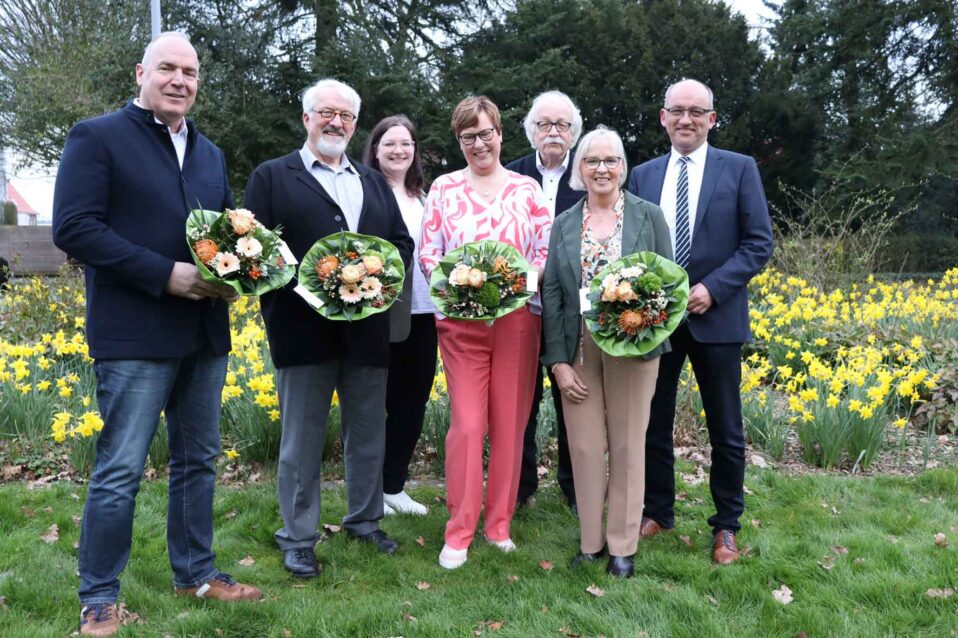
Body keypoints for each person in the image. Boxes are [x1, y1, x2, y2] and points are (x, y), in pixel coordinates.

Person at [52, 31, 262, 637]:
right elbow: (74, 228)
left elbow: (223, 233)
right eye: (167, 68)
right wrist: (163, 274)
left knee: (198, 461)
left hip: (203, 333)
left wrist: (241, 271)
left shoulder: (208, 152)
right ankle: (99, 597)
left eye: (190, 72)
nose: (179, 80)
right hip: (136, 332)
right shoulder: (98, 137)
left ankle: (196, 572)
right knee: (120, 469)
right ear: (141, 72)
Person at [244, 79, 413, 579]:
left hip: (367, 332)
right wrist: (313, 287)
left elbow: (399, 245)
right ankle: (297, 535)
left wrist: (379, 278)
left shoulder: (374, 180)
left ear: (355, 125)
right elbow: (258, 252)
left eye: (345, 116)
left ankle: (364, 520)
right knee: (302, 440)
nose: (335, 122)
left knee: (367, 434)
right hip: (302, 331)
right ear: (306, 118)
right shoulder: (273, 176)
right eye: (326, 113)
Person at [627, 79, 774, 564]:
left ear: (712, 119)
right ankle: (658, 511)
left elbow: (758, 243)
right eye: (677, 111)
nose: (686, 119)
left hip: (718, 317)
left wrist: (713, 288)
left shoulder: (740, 169)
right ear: (663, 117)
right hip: (657, 321)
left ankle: (726, 525)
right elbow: (631, 247)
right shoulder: (644, 175)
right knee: (652, 423)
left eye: (697, 112)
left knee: (726, 430)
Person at [419, 96, 551, 569]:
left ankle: (498, 525)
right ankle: (459, 530)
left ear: (500, 133)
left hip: (517, 321)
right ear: (460, 141)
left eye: (486, 133)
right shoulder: (444, 188)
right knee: (469, 425)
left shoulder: (527, 189)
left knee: (510, 426)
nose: (479, 143)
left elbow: (543, 250)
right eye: (468, 136)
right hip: (461, 322)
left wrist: (521, 283)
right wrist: (459, 287)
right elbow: (429, 252)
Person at [541, 126, 672, 578]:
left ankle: (621, 545)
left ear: (623, 167)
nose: (602, 169)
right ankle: (590, 542)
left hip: (633, 343)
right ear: (579, 170)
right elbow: (554, 296)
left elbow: (667, 285)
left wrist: (646, 329)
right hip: (577, 345)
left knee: (628, 443)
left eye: (610, 160)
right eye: (592, 161)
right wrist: (557, 362)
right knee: (583, 444)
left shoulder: (648, 216)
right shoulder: (563, 223)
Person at [505, 90, 582, 512]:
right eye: (544, 124)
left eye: (562, 125)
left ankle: (574, 487)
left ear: (574, 133)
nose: (553, 132)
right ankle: (520, 486)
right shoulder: (511, 175)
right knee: (521, 399)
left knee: (573, 395)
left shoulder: (588, 175)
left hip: (572, 308)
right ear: (530, 131)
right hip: (520, 304)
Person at [362, 115, 436, 517]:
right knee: (377, 403)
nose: (398, 151)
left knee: (414, 402)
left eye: (406, 144)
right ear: (375, 149)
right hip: (383, 314)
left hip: (425, 313)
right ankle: (370, 489)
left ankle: (394, 485)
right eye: (389, 143)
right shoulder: (366, 191)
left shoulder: (423, 195)